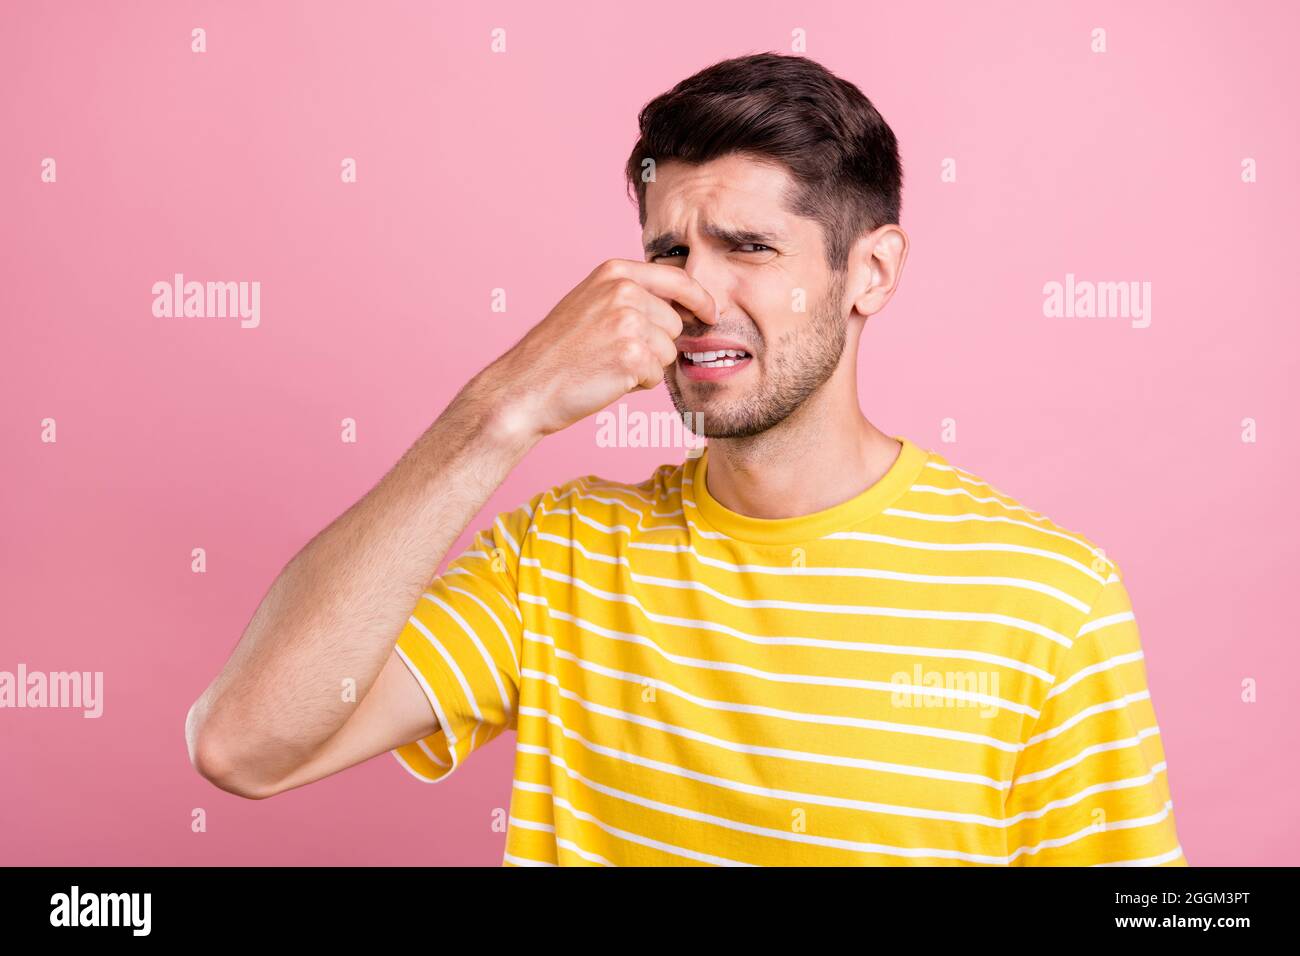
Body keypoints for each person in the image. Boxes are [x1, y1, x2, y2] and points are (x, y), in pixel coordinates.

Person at [186, 52, 1185, 866]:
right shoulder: (563, 555)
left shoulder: (1049, 595)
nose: (695, 293)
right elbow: (242, 745)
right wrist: (502, 406)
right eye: (668, 253)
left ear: (868, 272)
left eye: (746, 247)